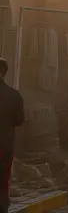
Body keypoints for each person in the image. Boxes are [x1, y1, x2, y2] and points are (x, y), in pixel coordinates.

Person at [0, 59, 24, 213]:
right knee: (3, 177)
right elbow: (19, 120)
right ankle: (2, 206)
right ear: (4, 73)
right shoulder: (14, 95)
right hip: (5, 145)